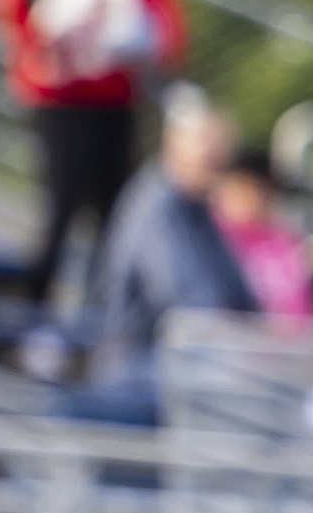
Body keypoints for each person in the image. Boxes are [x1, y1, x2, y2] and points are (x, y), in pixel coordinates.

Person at [0, 0, 184, 308]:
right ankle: (33, 314)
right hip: (59, 102)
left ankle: (101, 316)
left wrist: (163, 51)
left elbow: (159, 4)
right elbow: (20, 23)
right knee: (64, 204)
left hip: (114, 99)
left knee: (115, 212)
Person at [78, 86, 253, 423]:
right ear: (176, 148)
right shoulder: (156, 204)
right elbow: (184, 298)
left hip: (188, 358)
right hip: (136, 364)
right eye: (209, 155)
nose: (217, 167)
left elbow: (241, 293)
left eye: (221, 159)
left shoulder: (201, 210)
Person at [210, 146, 313, 325]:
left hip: (288, 345)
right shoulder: (210, 236)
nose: (254, 196)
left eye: (260, 188)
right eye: (243, 187)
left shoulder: (287, 241)